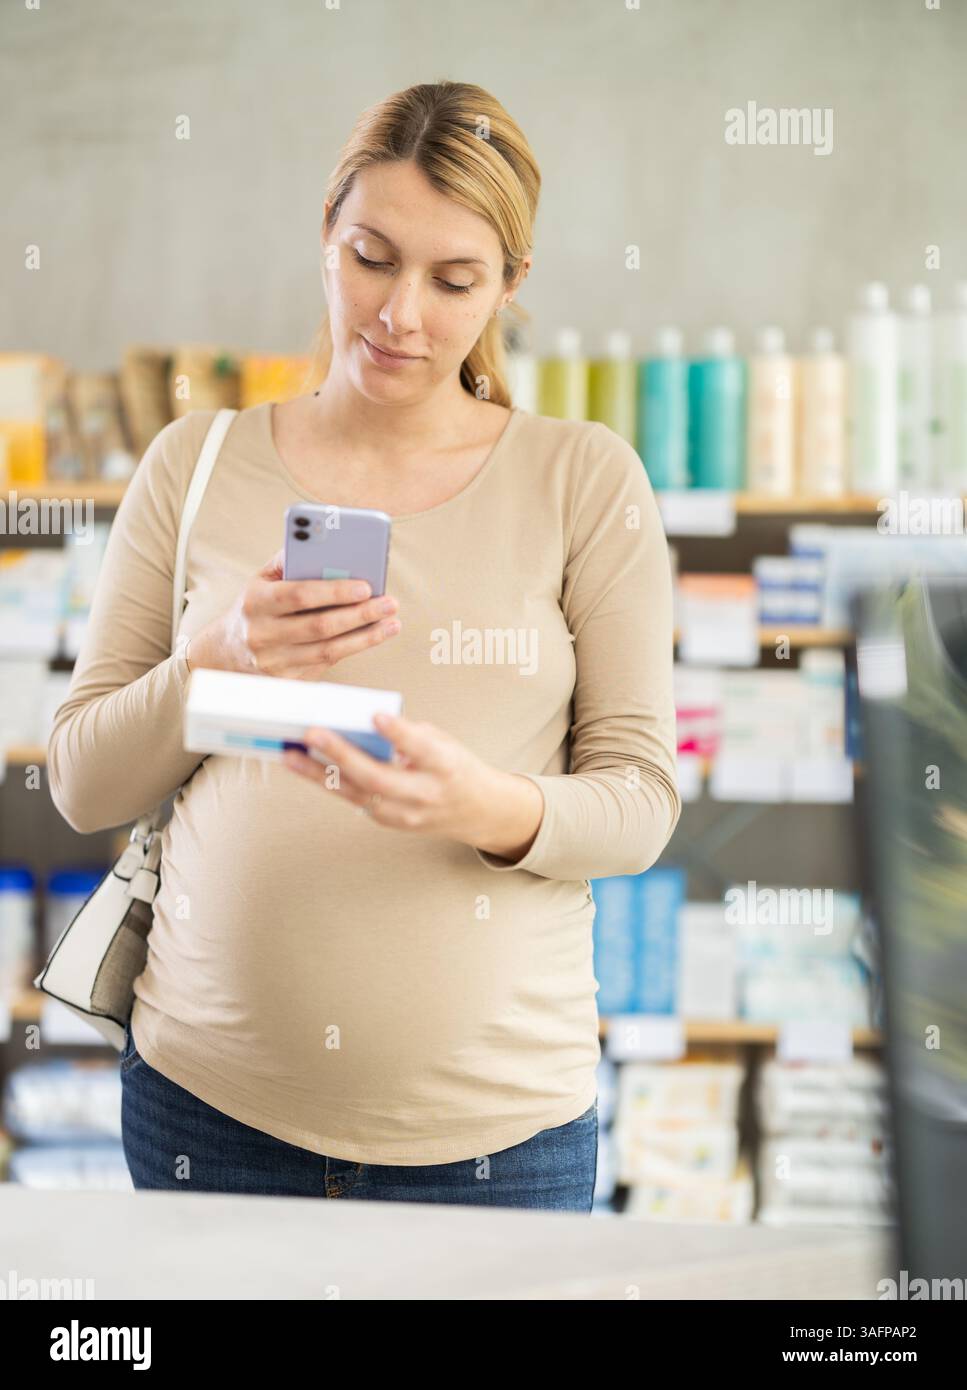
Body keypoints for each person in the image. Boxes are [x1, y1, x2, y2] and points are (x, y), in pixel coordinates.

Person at [48, 80, 681, 1211]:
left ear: (510, 285)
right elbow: (85, 782)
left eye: (454, 280)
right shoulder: (197, 464)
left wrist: (487, 807)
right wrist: (213, 671)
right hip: (210, 1112)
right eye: (371, 258)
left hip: (498, 1145)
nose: (401, 316)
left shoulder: (582, 480)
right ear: (325, 235)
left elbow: (638, 800)